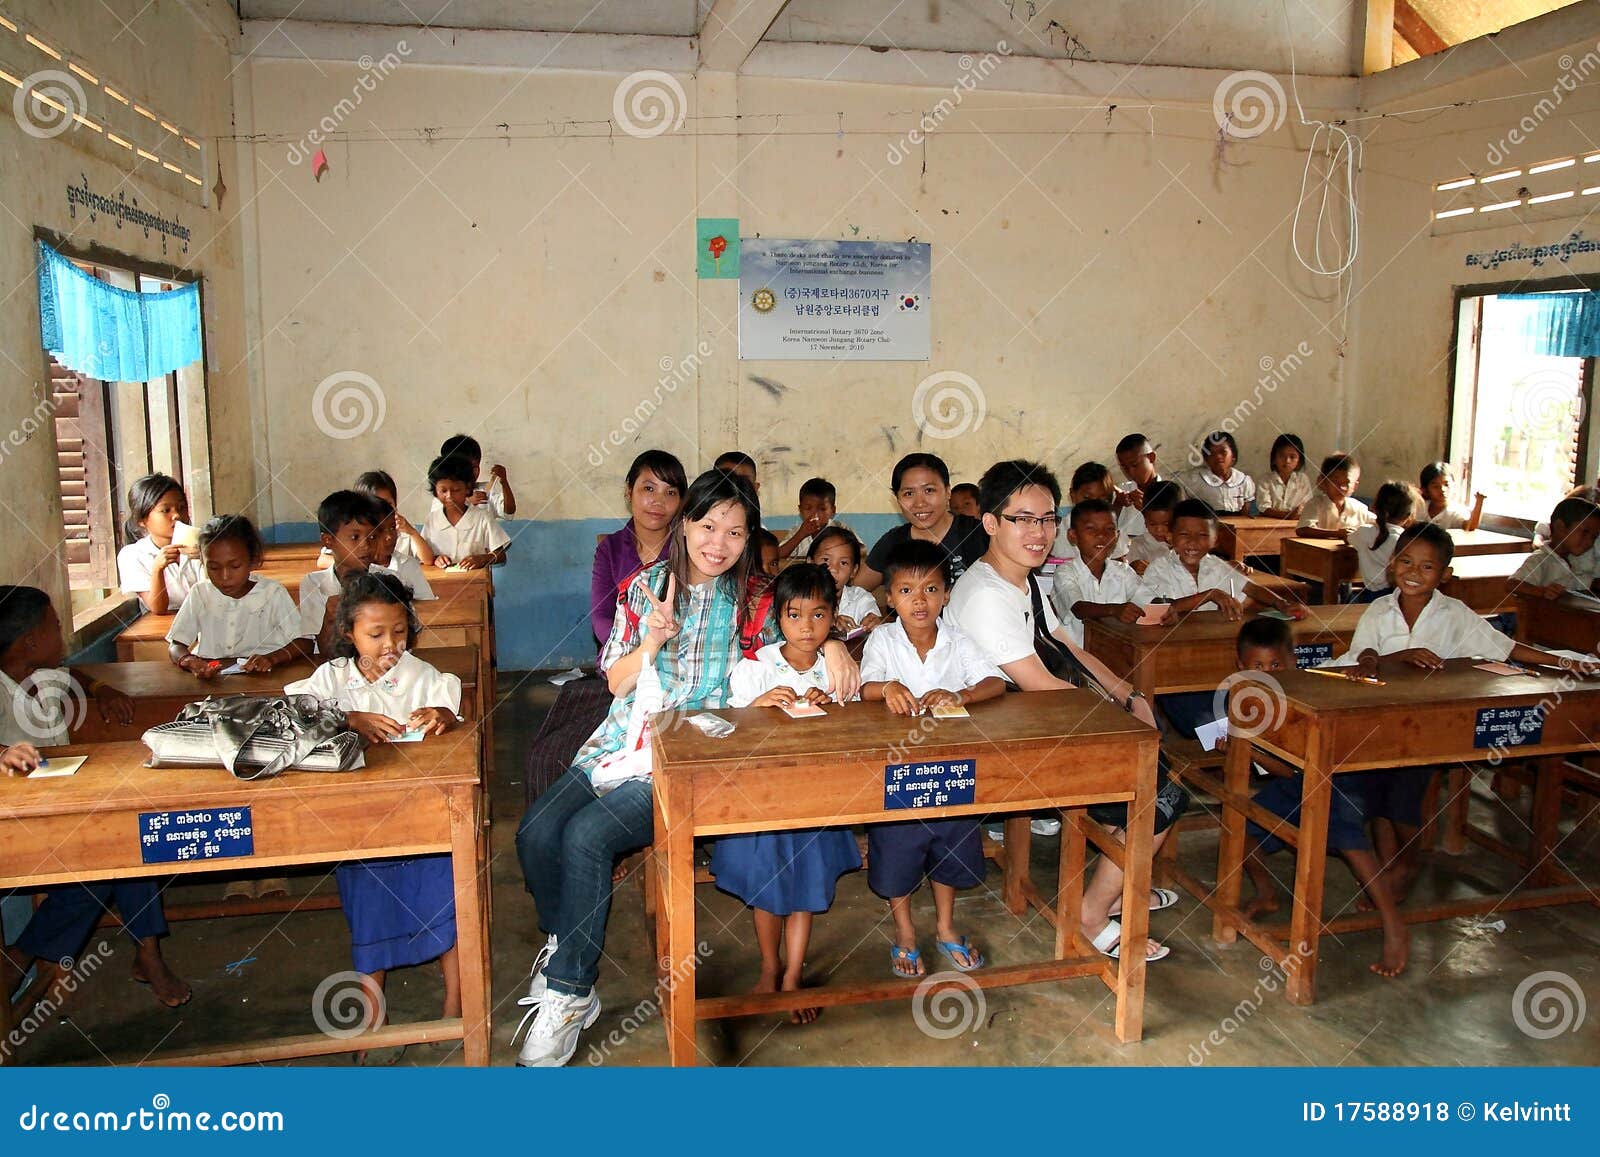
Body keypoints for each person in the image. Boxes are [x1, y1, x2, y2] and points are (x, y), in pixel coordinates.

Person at [512, 470, 860, 1067]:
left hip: (698, 753)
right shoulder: (647, 587)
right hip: (625, 738)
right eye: (706, 526)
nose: (718, 543)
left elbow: (809, 625)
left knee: (589, 838)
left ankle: (571, 993)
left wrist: (830, 645)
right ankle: (563, 939)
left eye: (734, 530)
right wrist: (649, 643)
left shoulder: (755, 600)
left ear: (749, 536)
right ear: (685, 525)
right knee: (535, 832)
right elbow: (616, 683)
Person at [947, 459, 1186, 961]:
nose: (1040, 532)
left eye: (1048, 518)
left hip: (1046, 719)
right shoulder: (984, 594)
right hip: (1008, 741)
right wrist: (1119, 729)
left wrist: (1129, 695)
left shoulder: (1023, 578)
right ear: (991, 523)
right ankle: (1093, 909)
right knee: (1159, 795)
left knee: (1156, 759)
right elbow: (1039, 685)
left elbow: (1063, 643)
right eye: (1024, 519)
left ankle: (1120, 880)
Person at [1328, 524, 1592, 911]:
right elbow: (1360, 659)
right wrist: (1385, 657)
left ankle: (1408, 863)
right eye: (1405, 561)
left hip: (1431, 729)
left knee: (1404, 793)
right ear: (1391, 565)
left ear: (1444, 575)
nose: (1414, 572)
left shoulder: (1453, 614)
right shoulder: (1379, 609)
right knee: (1374, 794)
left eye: (1427, 567)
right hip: (1379, 723)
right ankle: (1389, 865)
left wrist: (1571, 662)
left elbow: (1506, 648)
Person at [284, 572, 461, 1063]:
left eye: (400, 632)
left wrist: (444, 716)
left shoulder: (423, 675)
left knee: (445, 889)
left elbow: (451, 709)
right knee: (367, 904)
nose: (391, 644)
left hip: (422, 819)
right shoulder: (330, 681)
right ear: (349, 634)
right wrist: (348, 719)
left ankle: (454, 1002)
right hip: (359, 827)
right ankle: (373, 1010)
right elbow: (295, 711)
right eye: (376, 634)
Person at [0, 586, 188, 1010]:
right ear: (29, 641)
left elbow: (73, 674)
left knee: (131, 839)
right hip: (18, 823)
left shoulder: (45, 674)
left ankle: (144, 954)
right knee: (108, 860)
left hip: (69, 803)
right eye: (54, 626)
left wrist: (101, 688)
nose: (62, 632)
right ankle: (30, 954)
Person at [711, 564, 863, 1022]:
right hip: (763, 804)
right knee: (766, 889)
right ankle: (769, 964)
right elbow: (727, 727)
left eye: (819, 616)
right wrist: (758, 707)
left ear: (833, 618)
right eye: (794, 616)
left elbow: (853, 727)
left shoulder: (838, 671)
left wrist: (829, 706)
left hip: (815, 804)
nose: (806, 627)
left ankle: (794, 974)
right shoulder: (755, 668)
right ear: (778, 618)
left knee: (804, 890)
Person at [1219, 619, 1409, 977]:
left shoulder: (1311, 690)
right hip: (1296, 783)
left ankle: (1394, 925)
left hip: (1338, 781)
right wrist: (1242, 751)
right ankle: (1266, 892)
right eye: (1257, 667)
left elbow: (1302, 767)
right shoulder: (1247, 700)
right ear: (1240, 666)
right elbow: (1287, 772)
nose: (1268, 673)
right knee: (1238, 829)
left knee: (1347, 837)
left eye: (1276, 665)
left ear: (1293, 660)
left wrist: (1252, 753)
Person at [861, 540, 1005, 977]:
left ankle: (945, 926)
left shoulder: (959, 640)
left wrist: (960, 694)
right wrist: (887, 689)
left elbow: (995, 683)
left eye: (930, 590)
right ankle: (905, 932)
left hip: (952, 769)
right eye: (906, 591)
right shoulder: (883, 639)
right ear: (890, 598)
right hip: (899, 770)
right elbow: (864, 688)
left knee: (951, 846)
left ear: (946, 594)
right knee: (898, 851)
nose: (918, 601)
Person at [166, 515, 304, 677]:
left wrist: (272, 659)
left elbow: (303, 642)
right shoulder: (200, 593)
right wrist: (189, 660)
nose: (225, 577)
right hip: (214, 680)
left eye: (235, 566)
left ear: (253, 561)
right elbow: (176, 645)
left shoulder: (272, 593)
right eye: (214, 567)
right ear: (203, 562)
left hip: (263, 678)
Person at [1134, 499, 1298, 619]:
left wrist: (1282, 604)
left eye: (1203, 535)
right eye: (1184, 534)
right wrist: (1210, 595)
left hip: (1210, 637)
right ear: (1170, 536)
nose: (1193, 542)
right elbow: (1164, 608)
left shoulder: (1216, 565)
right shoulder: (1159, 568)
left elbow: (1252, 589)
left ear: (1215, 540)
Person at [590, 450, 686, 646]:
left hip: (678, 659)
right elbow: (601, 617)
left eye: (670, 492)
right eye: (649, 488)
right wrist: (635, 653)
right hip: (623, 655)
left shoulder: (690, 547)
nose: (659, 501)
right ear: (629, 491)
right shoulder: (610, 549)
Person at [857, 453, 989, 592]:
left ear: (948, 492)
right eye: (908, 493)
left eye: (929, 490)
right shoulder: (893, 543)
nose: (920, 503)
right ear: (897, 499)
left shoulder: (978, 534)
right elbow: (853, 594)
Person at [1050, 498, 1143, 645]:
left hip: (1116, 654)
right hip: (1077, 658)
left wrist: (1166, 605)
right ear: (1073, 536)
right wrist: (1115, 610)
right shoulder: (1065, 572)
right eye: (1091, 529)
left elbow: (1147, 598)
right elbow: (1079, 608)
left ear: (1117, 536)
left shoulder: (1124, 572)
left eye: (1109, 529)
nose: (1101, 535)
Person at [301, 490, 381, 655]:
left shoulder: (388, 580)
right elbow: (322, 650)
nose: (366, 545)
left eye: (372, 537)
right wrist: (330, 618)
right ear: (328, 541)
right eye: (355, 537)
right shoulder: (313, 584)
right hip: (331, 667)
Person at [117, 473, 202, 614]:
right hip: (164, 631)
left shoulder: (203, 545)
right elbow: (158, 609)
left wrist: (208, 558)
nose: (177, 515)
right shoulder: (132, 556)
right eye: (165, 510)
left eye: (182, 507)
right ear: (142, 520)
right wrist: (157, 569)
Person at [421, 455, 510, 569]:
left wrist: (483, 559)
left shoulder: (483, 518)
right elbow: (423, 556)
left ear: (468, 488)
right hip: (440, 584)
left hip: (476, 584)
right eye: (443, 491)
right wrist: (436, 559)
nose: (449, 496)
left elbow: (501, 556)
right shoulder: (432, 520)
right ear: (435, 492)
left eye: (456, 490)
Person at [1508, 496, 1600, 600]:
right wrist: (1542, 591)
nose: (1589, 542)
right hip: (1527, 615)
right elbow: (1512, 584)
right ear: (1560, 527)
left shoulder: (1575, 560)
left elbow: (1577, 582)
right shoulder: (1540, 559)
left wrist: (1594, 583)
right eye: (1585, 532)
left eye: (1594, 537)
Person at [1050, 462, 1130, 563]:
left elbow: (1120, 562)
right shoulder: (1057, 534)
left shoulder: (1113, 531)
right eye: (1087, 498)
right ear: (1072, 495)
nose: (1093, 506)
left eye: (1102, 500)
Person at [1352, 482, 1421, 602]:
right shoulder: (1404, 541)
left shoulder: (1363, 533)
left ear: (1375, 508)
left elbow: (1348, 538)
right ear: (1409, 515)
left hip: (1368, 596)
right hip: (1396, 596)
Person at [808, 525, 882, 634]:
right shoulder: (796, 597)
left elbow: (874, 621)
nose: (833, 569)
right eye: (826, 560)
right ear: (810, 563)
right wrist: (829, 624)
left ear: (853, 571)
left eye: (843, 563)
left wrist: (874, 623)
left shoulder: (860, 599)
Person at [354, 469, 434, 565]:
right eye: (376, 505)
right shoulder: (355, 534)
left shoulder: (404, 530)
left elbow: (428, 560)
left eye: (389, 504)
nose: (384, 510)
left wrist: (412, 532)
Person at [438, 434, 516, 518]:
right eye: (467, 467)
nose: (474, 471)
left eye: (476, 466)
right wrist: (467, 501)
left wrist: (504, 482)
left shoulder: (487, 490)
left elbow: (509, 512)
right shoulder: (443, 495)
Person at [1298, 453, 1373, 540]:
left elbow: (1378, 523)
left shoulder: (1359, 508)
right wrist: (1337, 533)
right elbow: (1302, 530)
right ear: (1322, 482)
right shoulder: (1315, 504)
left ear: (1355, 486)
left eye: (1346, 483)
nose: (1341, 487)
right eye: (1335, 482)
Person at [1180, 431, 1255, 514]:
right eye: (1212, 453)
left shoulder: (1244, 481)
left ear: (1233, 456)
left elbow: (1245, 515)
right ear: (1206, 458)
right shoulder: (1193, 480)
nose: (1218, 457)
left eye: (1223, 452)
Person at [778, 477, 844, 559]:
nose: (815, 514)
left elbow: (862, 550)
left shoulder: (841, 528)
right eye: (808, 508)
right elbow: (778, 555)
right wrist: (800, 535)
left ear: (833, 510)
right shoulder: (796, 532)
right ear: (800, 510)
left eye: (822, 509)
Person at [1126, 479, 1181, 574]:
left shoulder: (1186, 541)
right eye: (1152, 524)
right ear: (1145, 520)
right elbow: (1131, 574)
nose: (1159, 530)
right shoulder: (1139, 545)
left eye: (1166, 524)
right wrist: (1134, 567)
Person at [1112, 433, 1162, 538]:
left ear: (1151, 458)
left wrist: (1147, 510)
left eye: (1135, 465)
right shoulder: (1123, 491)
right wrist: (1117, 505)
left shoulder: (1170, 493)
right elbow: (1107, 529)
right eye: (1124, 467)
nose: (1130, 472)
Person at [1255, 433, 1314, 519]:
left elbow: (1307, 506)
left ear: (1299, 461)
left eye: (1292, 457)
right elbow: (1263, 508)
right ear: (1274, 459)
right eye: (1282, 456)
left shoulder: (1303, 480)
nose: (1287, 461)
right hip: (1269, 523)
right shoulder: (1265, 480)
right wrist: (1287, 515)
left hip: (1295, 524)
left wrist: (1296, 514)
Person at [1419, 461, 1483, 531]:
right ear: (1425, 490)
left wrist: (1479, 502)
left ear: (1454, 486)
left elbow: (1470, 526)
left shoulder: (1456, 511)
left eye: (1447, 485)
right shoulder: (1420, 508)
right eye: (1435, 486)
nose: (1442, 489)